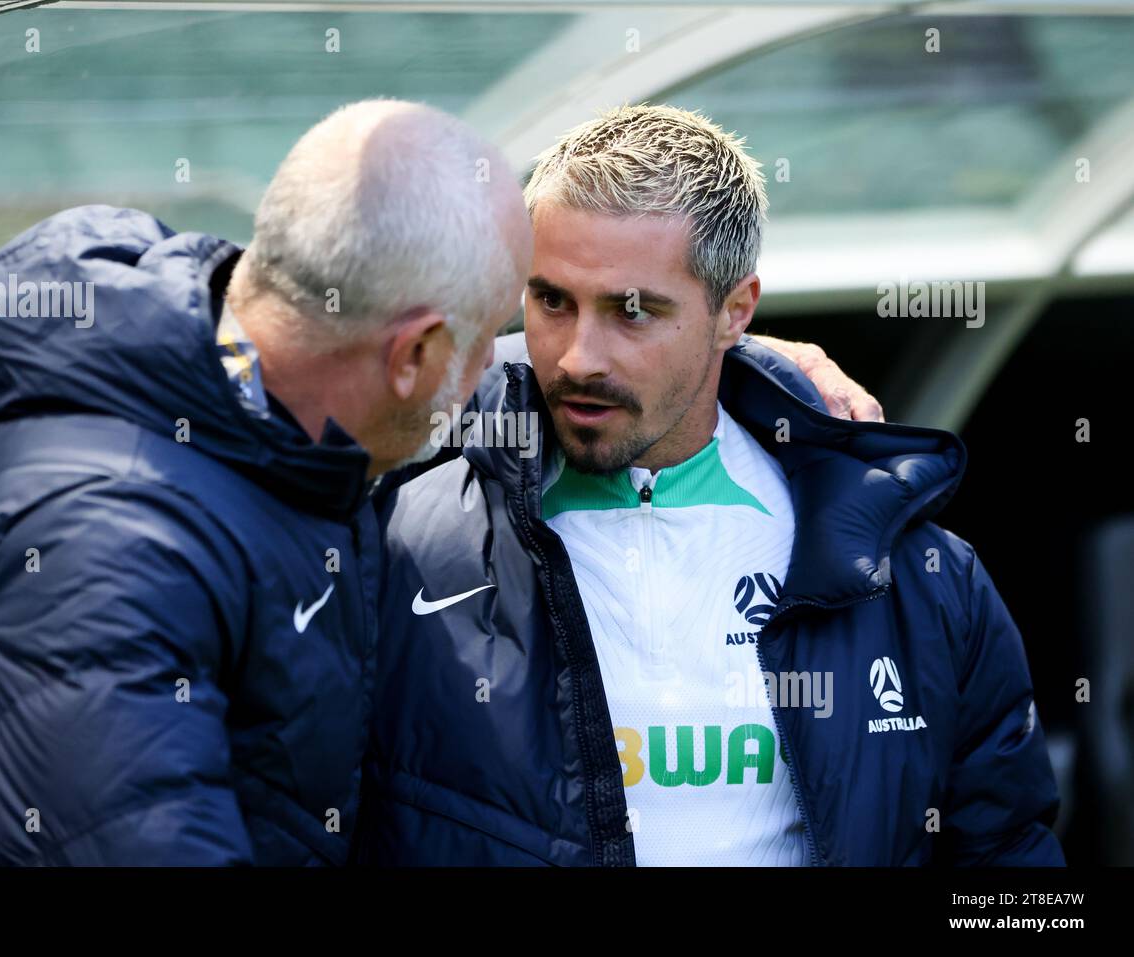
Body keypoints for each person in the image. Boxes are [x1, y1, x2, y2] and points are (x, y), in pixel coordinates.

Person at [0, 99, 874, 866]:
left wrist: (728, 368)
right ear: (416, 358)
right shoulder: (108, 558)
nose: (539, 369)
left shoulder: (250, 384)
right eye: (513, 327)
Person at [356, 105, 1065, 866]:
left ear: (735, 311)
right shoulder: (396, 537)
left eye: (635, 311)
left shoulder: (918, 580)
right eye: (552, 300)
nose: (577, 358)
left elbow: (1007, 858)